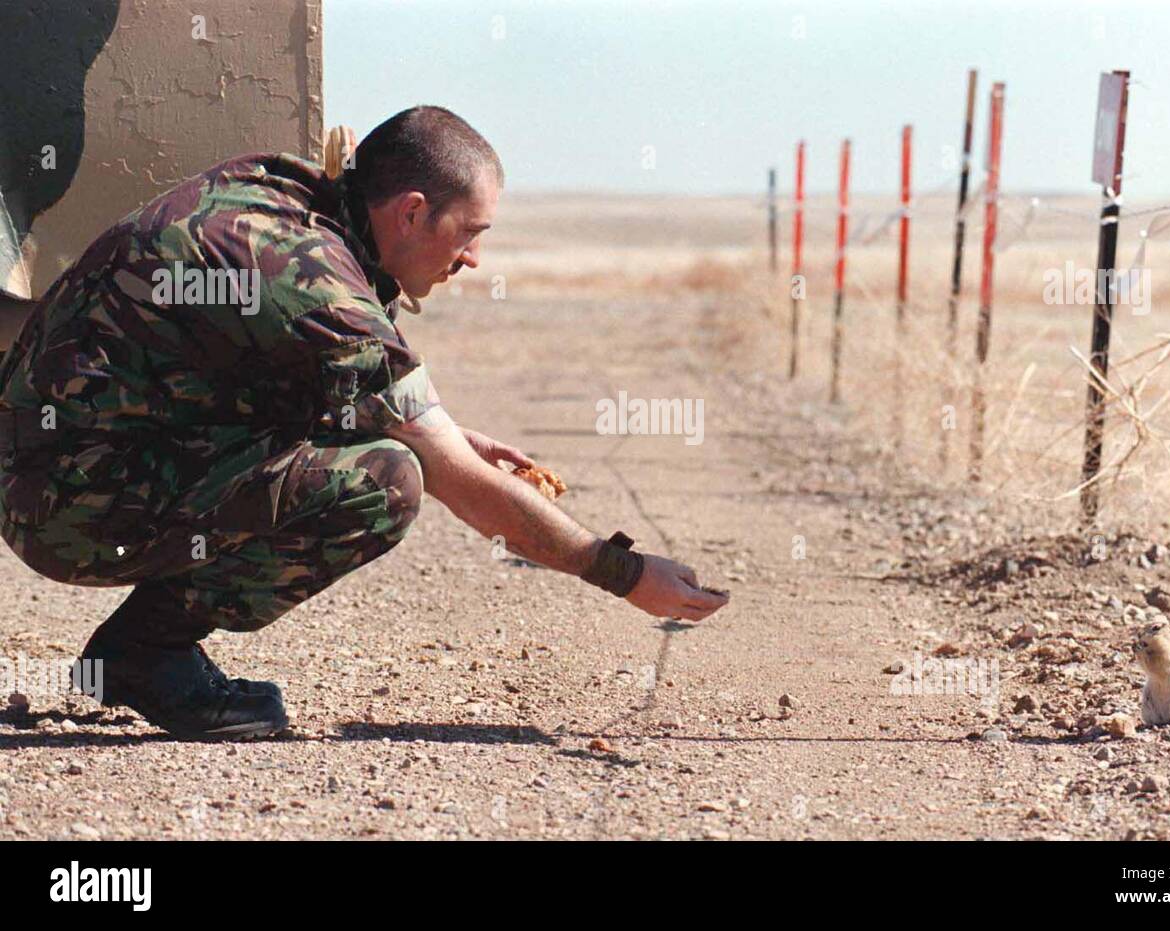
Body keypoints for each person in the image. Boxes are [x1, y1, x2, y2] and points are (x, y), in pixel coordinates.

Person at [0, 106, 728, 740]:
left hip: (65, 459)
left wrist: (445, 429)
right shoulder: (315, 283)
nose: (474, 258)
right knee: (388, 481)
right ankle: (146, 654)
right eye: (469, 232)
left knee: (383, 442)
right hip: (66, 505)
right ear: (411, 211)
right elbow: (457, 481)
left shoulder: (283, 194)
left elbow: (315, 376)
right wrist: (624, 572)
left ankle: (137, 650)